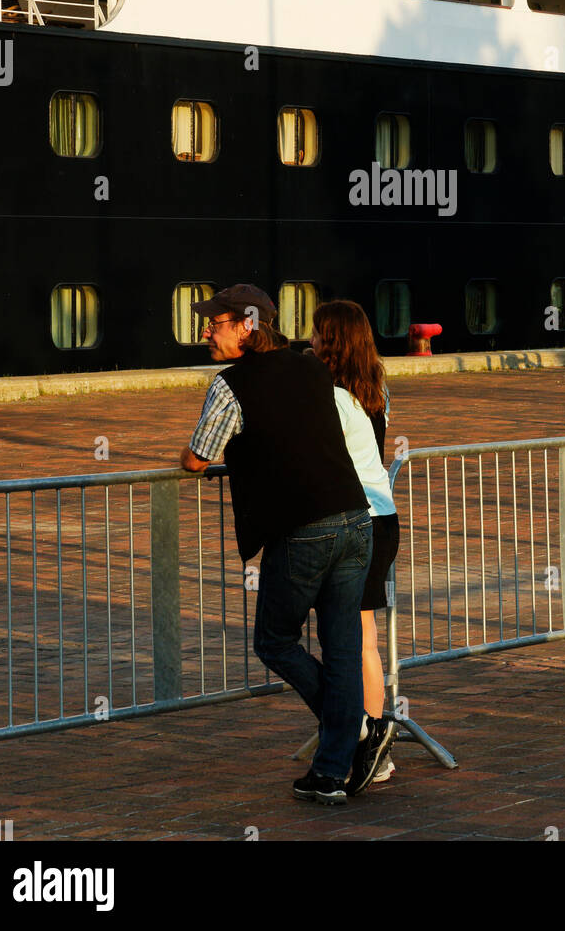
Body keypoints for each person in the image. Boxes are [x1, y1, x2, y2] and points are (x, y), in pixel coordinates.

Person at [180, 283, 375, 807]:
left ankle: (353, 726)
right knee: (342, 653)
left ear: (246, 325)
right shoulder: (312, 367)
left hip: (305, 528)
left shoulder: (230, 384)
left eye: (214, 322)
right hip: (357, 519)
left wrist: (188, 459)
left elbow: (200, 456)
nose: (204, 330)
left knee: (274, 640)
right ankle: (332, 774)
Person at [310, 300, 399, 794]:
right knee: (361, 634)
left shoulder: (333, 393)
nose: (312, 342)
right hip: (382, 515)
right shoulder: (375, 385)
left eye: (318, 335)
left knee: (354, 636)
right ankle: (365, 731)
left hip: (355, 516)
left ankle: (370, 738)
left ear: (334, 340)